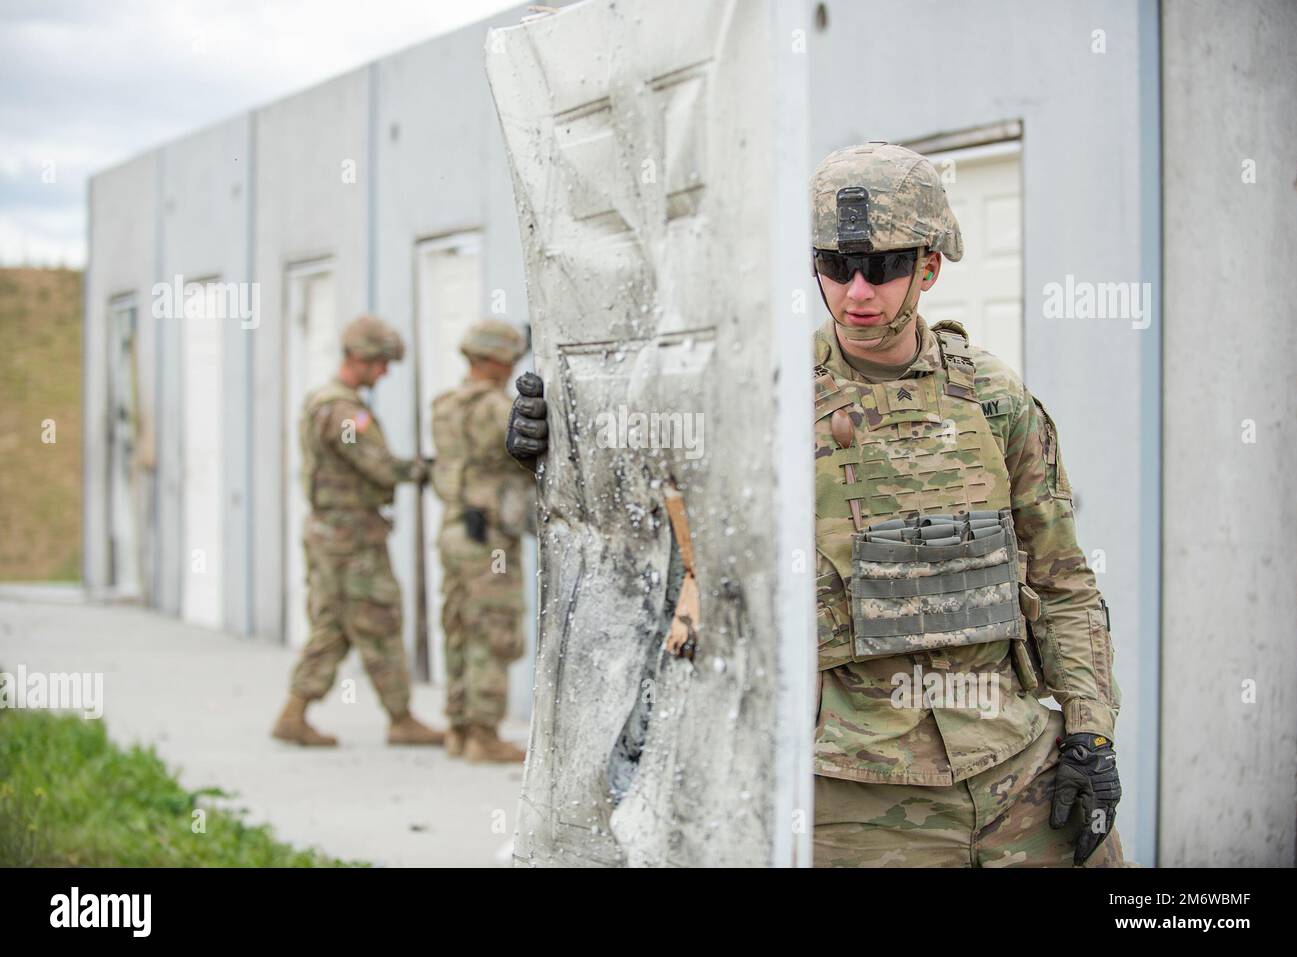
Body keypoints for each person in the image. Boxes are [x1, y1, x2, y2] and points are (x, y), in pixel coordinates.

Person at [505, 142, 1124, 867]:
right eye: (835, 265)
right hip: (853, 802)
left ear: (929, 265)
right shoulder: (765, 402)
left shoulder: (992, 397)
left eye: (883, 266)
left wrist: (1090, 730)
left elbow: (1062, 581)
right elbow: (636, 535)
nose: (857, 291)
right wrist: (554, 453)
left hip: (1020, 773)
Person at [272, 314, 443, 747]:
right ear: (361, 358)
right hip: (352, 541)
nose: (385, 372)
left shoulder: (322, 401)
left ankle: (294, 712)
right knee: (379, 619)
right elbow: (375, 465)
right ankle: (401, 718)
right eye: (382, 362)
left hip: (334, 535)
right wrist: (419, 470)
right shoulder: (344, 412)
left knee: (334, 625)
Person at [430, 319, 532, 763]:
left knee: (459, 626)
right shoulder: (495, 407)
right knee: (494, 630)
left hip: (454, 528)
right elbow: (524, 457)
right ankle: (485, 735)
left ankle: (458, 728)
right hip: (489, 536)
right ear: (496, 358)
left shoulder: (445, 405)